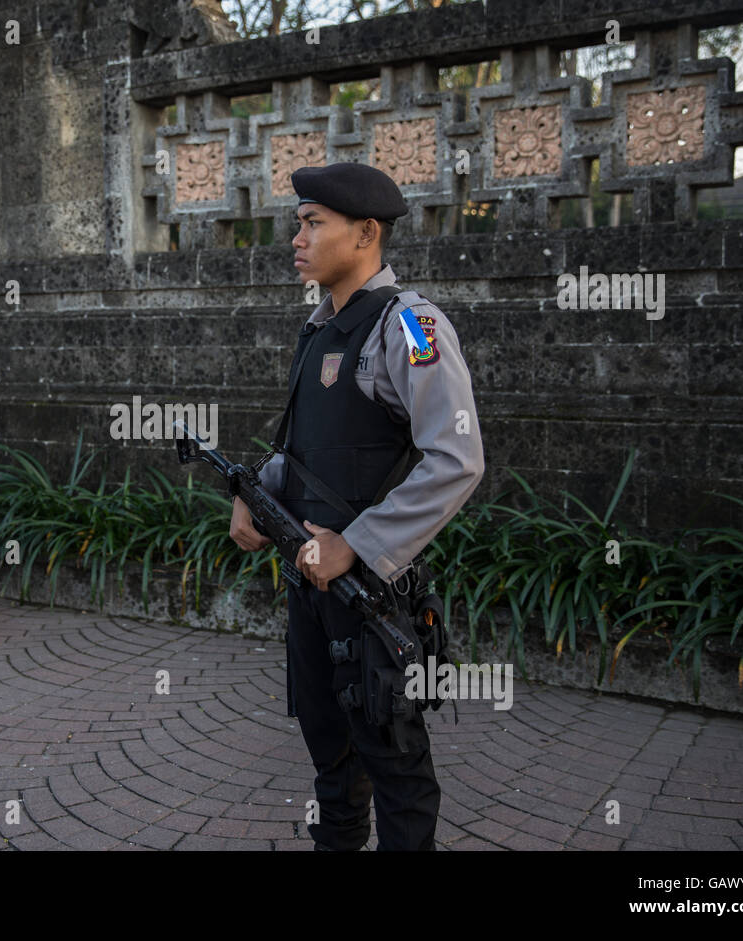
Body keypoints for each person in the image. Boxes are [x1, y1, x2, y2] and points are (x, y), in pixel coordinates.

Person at [228, 162, 485, 851]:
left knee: (398, 775)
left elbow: (456, 458)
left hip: (371, 599)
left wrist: (360, 543)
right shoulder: (319, 329)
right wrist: (255, 491)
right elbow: (309, 451)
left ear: (366, 233)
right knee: (332, 771)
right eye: (299, 222)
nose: (297, 237)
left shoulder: (410, 326)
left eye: (314, 223)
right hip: (311, 591)